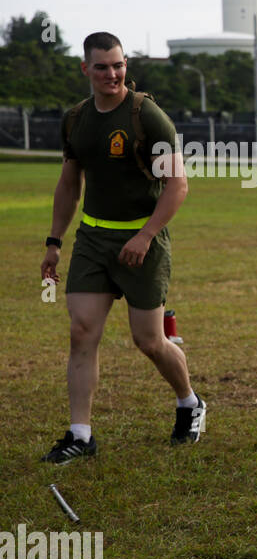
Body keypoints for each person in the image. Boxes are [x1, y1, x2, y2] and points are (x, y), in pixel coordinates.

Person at [40, 31, 206, 464]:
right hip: (94, 239)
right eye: (101, 66)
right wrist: (54, 242)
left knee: (149, 340)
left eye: (118, 65)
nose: (112, 74)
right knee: (81, 333)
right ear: (85, 69)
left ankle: (189, 402)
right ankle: (80, 435)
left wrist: (146, 234)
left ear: (126, 64)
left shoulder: (148, 116)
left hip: (141, 239)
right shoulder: (75, 119)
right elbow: (68, 184)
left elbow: (178, 183)